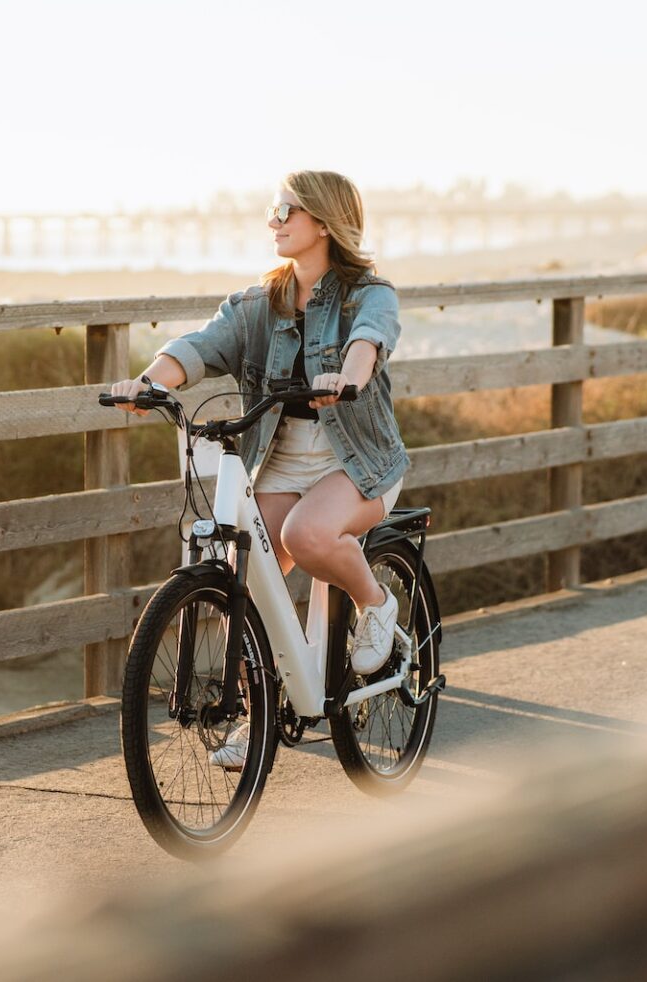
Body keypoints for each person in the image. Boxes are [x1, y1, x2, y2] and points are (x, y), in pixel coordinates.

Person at [107, 169, 410, 767]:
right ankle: (259, 712)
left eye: (285, 211)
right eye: (273, 210)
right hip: (277, 465)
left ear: (322, 222)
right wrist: (148, 384)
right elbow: (199, 347)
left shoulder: (368, 295)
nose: (273, 221)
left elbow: (368, 342)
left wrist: (348, 378)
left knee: (306, 534)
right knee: (240, 570)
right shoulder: (258, 304)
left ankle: (375, 604)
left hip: (358, 466)